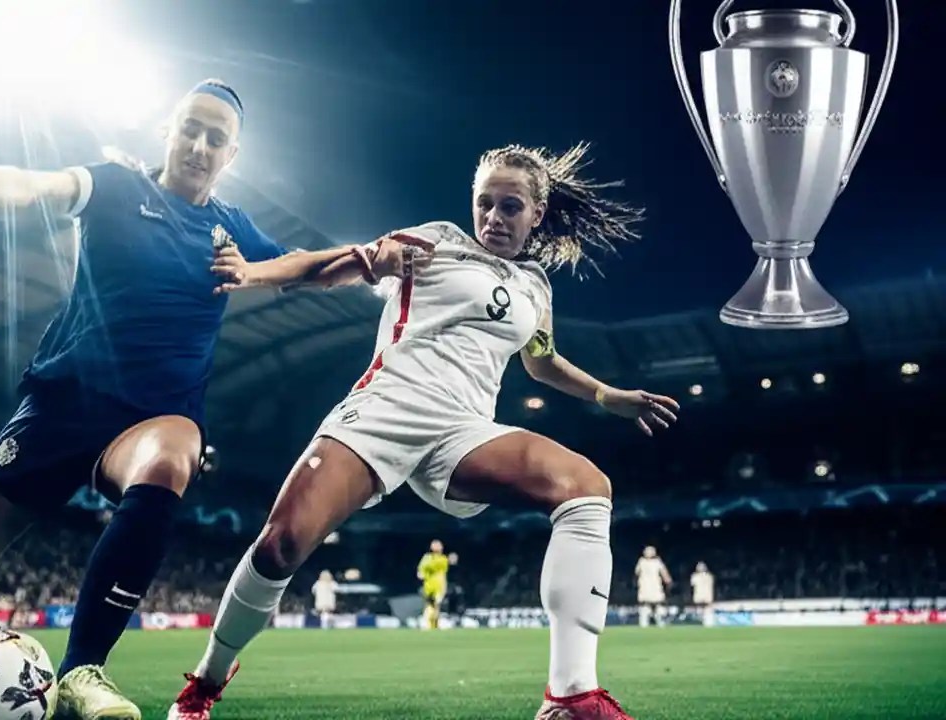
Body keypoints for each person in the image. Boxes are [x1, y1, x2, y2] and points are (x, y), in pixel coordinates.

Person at [0, 79, 421, 720]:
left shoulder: (230, 228)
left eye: (216, 139)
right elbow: (26, 186)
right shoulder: (115, 187)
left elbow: (304, 266)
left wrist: (373, 257)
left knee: (173, 458)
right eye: (191, 129)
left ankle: (83, 670)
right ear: (168, 130)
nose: (199, 146)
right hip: (60, 407)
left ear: (231, 155)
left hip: (151, 418)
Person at [165, 142, 678, 720]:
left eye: (510, 207)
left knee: (587, 487)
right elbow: (330, 266)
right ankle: (205, 682)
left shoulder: (536, 287)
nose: (494, 217)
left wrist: (607, 395)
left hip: (464, 431)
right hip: (384, 411)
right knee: (280, 545)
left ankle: (570, 695)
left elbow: (541, 362)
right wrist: (252, 272)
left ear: (537, 213)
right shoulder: (434, 241)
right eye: (484, 203)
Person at [635, 545, 672, 628]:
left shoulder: (657, 562)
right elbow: (637, 572)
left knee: (658, 606)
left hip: (655, 586)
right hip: (645, 586)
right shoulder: (642, 562)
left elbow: (664, 573)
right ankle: (644, 623)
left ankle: (660, 622)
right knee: (645, 606)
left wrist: (667, 580)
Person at [417, 539, 450, 630]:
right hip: (431, 586)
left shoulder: (442, 559)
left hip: (438, 586)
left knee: (435, 605)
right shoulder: (429, 558)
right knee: (431, 605)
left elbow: (424, 570)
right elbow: (421, 571)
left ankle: (434, 625)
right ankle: (429, 624)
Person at [690, 561, 715, 626]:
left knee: (699, 610)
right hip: (708, 596)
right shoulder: (710, 576)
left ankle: (700, 623)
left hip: (698, 596)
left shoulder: (694, 576)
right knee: (708, 610)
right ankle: (708, 624)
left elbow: (692, 586)